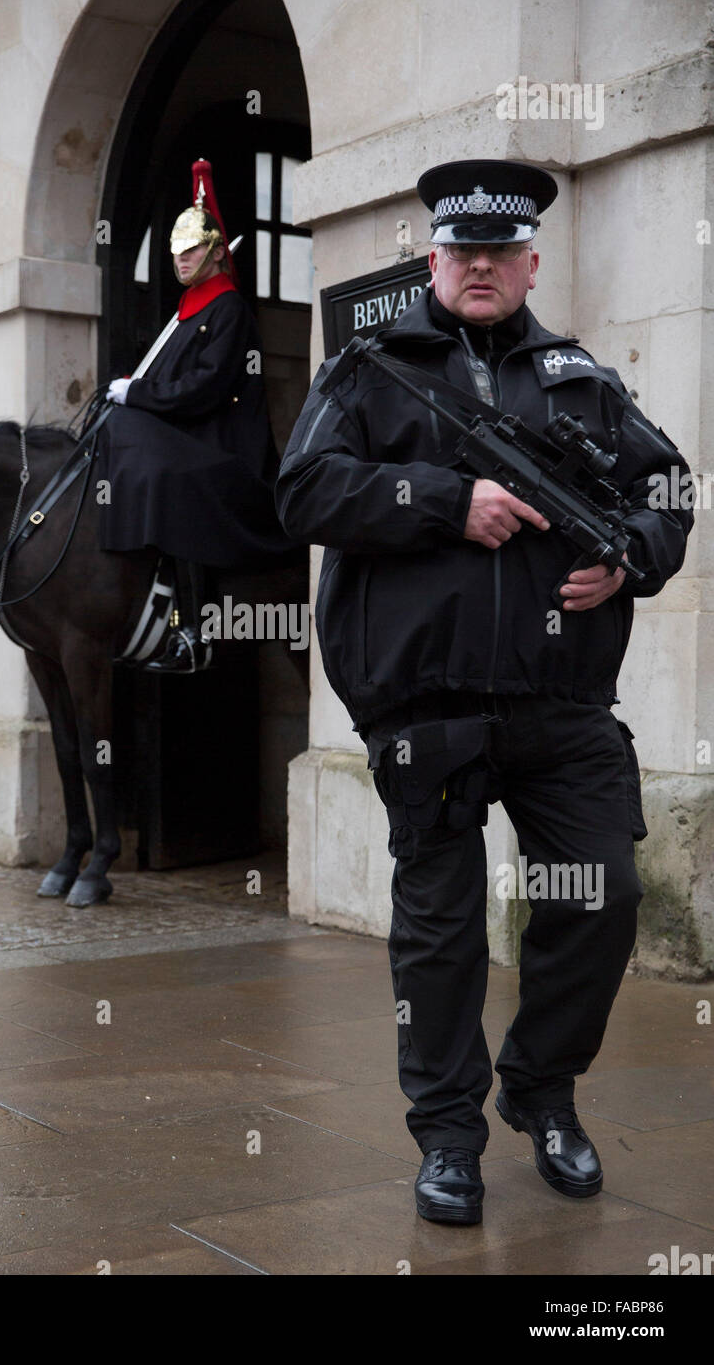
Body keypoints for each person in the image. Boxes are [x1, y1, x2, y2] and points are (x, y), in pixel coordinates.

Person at [275, 158, 694, 1225]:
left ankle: (542, 1094)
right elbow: (302, 489)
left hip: (561, 705)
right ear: (433, 258)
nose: (480, 267)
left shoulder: (578, 373)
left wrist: (632, 555)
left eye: (500, 252)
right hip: (426, 707)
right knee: (441, 930)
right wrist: (442, 497)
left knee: (601, 893)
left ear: (528, 263)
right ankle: (449, 1135)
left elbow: (668, 485)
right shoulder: (369, 368)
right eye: (462, 250)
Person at [99, 158, 294, 673]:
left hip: (225, 447)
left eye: (192, 250)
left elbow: (205, 388)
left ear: (213, 252)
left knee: (165, 472)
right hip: (190, 435)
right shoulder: (188, 311)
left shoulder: (227, 310)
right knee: (119, 437)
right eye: (176, 252)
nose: (182, 259)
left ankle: (194, 626)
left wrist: (136, 394)